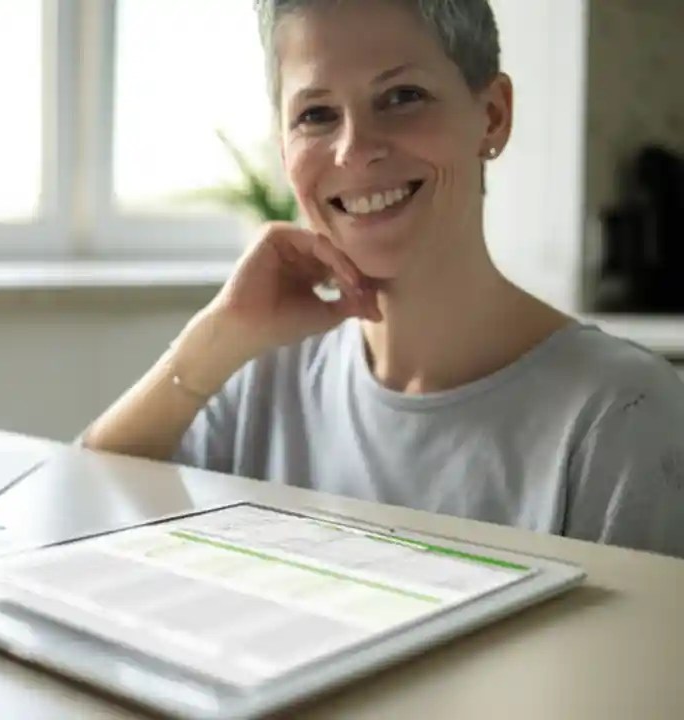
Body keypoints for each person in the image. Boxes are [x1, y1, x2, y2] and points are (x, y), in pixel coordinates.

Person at [81, 0, 684, 559]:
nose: (354, 151)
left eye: (401, 97)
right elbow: (75, 516)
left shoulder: (624, 418)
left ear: (492, 117)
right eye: (316, 114)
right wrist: (212, 340)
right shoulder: (261, 378)